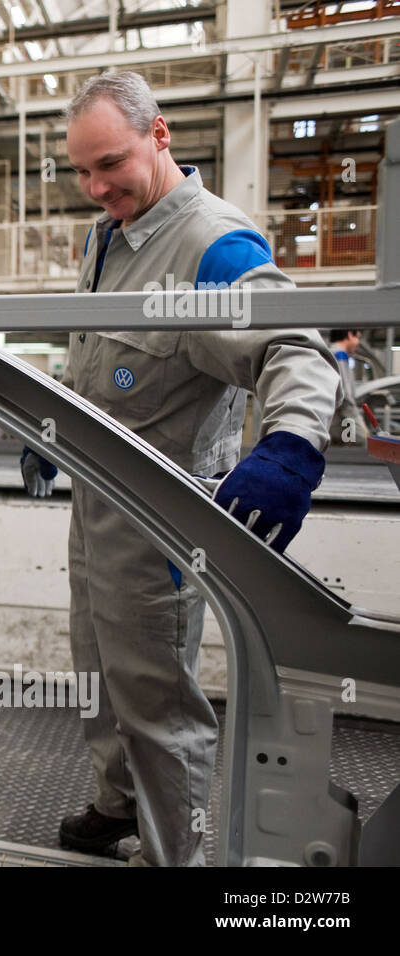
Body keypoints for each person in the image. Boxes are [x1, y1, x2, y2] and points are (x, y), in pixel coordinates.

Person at [22, 72, 341, 866]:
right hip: (95, 507)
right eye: (83, 171)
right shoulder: (110, 232)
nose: (97, 188)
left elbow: (295, 348)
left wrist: (291, 449)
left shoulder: (214, 244)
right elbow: (99, 355)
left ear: (160, 136)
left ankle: (176, 856)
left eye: (112, 164)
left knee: (159, 701)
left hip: (160, 525)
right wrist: (50, 416)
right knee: (98, 674)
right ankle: (119, 805)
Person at [327, 329, 368, 444]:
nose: (358, 342)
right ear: (349, 335)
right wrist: (361, 429)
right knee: (359, 444)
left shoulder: (328, 353)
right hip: (343, 415)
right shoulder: (339, 355)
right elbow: (345, 394)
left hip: (332, 417)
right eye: (357, 337)